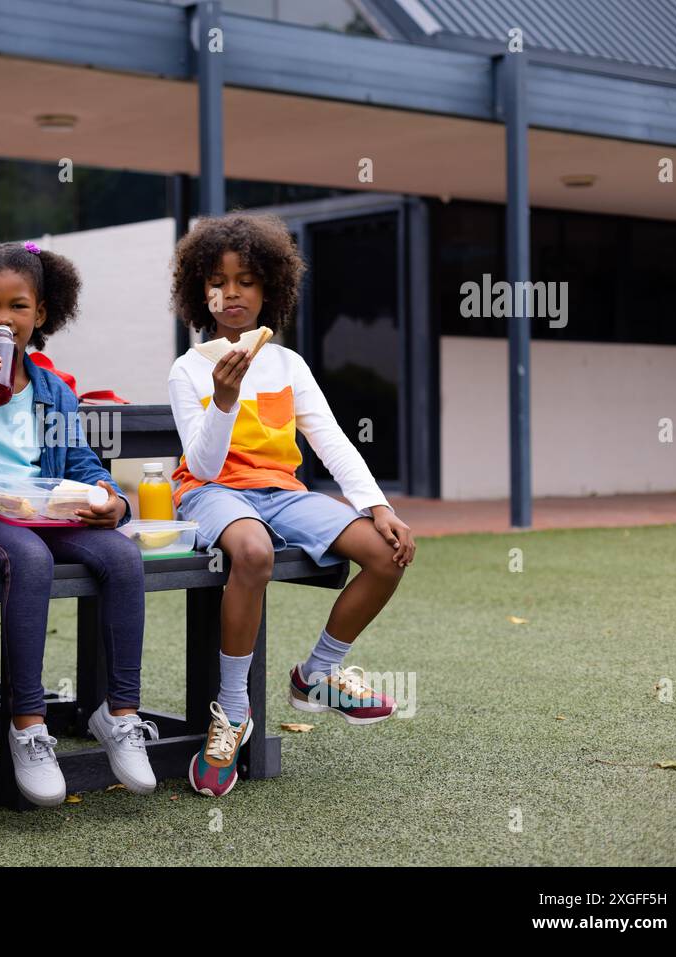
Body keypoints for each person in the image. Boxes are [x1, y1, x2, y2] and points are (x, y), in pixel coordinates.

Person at [167, 213, 416, 798]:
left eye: (247, 280)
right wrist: (224, 399)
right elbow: (202, 467)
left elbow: (329, 439)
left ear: (270, 289)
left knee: (387, 553)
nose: (231, 293)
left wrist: (376, 505)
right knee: (251, 553)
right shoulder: (189, 368)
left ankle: (318, 674)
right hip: (210, 494)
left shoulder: (287, 364)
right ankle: (232, 713)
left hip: (281, 493)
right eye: (218, 281)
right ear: (198, 291)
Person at [0, 241, 157, 807]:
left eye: (18, 307)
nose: (4, 320)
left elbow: (79, 465)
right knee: (29, 558)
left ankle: (119, 713)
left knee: (122, 554)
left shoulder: (55, 393)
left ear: (41, 314)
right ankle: (28, 723)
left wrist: (111, 499)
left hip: (43, 512)